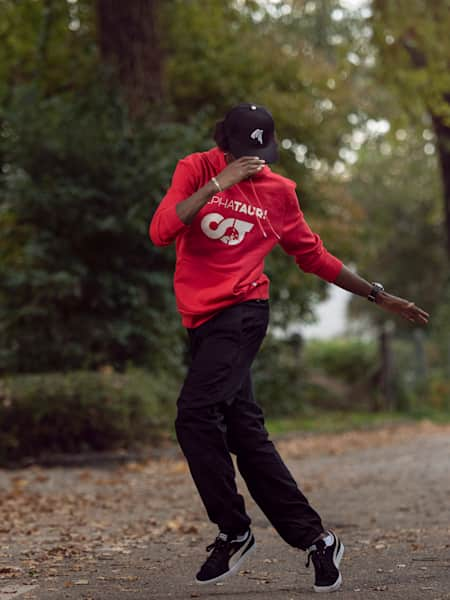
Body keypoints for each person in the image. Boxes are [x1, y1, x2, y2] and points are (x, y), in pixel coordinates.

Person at [148, 103, 429, 593]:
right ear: (226, 145)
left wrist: (379, 296)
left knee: (194, 414)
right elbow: (161, 230)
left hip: (243, 314)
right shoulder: (196, 169)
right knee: (246, 436)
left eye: (264, 152)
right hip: (201, 320)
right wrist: (220, 182)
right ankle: (317, 540)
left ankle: (234, 531)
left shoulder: (279, 194)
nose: (259, 162)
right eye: (247, 153)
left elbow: (314, 256)